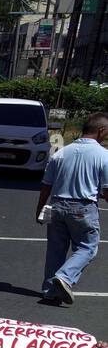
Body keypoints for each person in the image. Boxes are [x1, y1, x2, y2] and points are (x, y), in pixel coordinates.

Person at [36, 112, 108, 306]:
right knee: (87, 247)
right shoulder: (103, 155)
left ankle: (50, 290)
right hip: (82, 207)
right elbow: (107, 190)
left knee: (55, 249)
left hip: (56, 205)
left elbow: (46, 185)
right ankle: (65, 277)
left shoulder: (60, 152)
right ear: (101, 130)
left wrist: (40, 208)